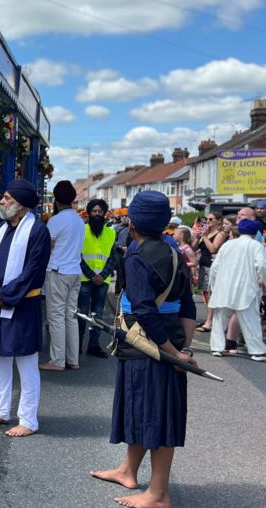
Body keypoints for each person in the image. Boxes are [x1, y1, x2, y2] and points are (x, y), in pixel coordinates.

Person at [90, 190, 197, 508]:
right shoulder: (173, 250)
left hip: (146, 344)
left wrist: (171, 352)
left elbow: (146, 310)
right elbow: (188, 304)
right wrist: (182, 347)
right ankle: (128, 470)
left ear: (133, 220)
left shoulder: (137, 256)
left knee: (156, 416)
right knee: (144, 409)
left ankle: (158, 494)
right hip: (168, 341)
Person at [0, 179, 51, 438]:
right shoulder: (2, 228)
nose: (2, 202)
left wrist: (4, 295)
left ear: (20, 205)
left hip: (23, 304)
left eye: (7, 198)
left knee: (26, 362)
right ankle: (2, 410)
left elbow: (32, 271)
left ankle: (29, 419)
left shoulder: (37, 231)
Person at [207, 219, 266, 361]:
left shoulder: (228, 245)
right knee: (250, 320)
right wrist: (263, 281)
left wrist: (213, 285)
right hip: (246, 288)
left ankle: (217, 348)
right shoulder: (256, 246)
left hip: (224, 287)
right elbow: (262, 266)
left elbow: (215, 267)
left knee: (219, 319)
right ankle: (256, 351)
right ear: (255, 232)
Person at [43, 180, 85, 371]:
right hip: (75, 272)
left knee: (56, 317)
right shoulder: (78, 220)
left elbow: (48, 246)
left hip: (59, 271)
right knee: (71, 316)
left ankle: (57, 361)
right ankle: (73, 360)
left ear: (56, 199)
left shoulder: (56, 220)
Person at [78, 199, 117, 358]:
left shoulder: (111, 232)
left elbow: (112, 257)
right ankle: (77, 345)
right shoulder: (82, 230)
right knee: (82, 314)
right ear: (88, 213)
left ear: (104, 213)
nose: (96, 214)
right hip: (85, 280)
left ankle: (94, 345)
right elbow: (78, 256)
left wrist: (102, 275)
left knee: (98, 315)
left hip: (102, 281)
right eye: (93, 211)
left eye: (99, 211)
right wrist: (93, 275)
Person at [194, 212, 227, 333]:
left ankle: (209, 322)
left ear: (219, 221)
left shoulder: (221, 234)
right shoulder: (206, 234)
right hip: (203, 266)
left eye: (211, 219)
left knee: (211, 294)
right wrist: (198, 238)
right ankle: (209, 320)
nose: (207, 221)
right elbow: (194, 248)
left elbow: (213, 248)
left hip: (211, 266)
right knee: (205, 294)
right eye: (206, 219)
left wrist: (205, 237)